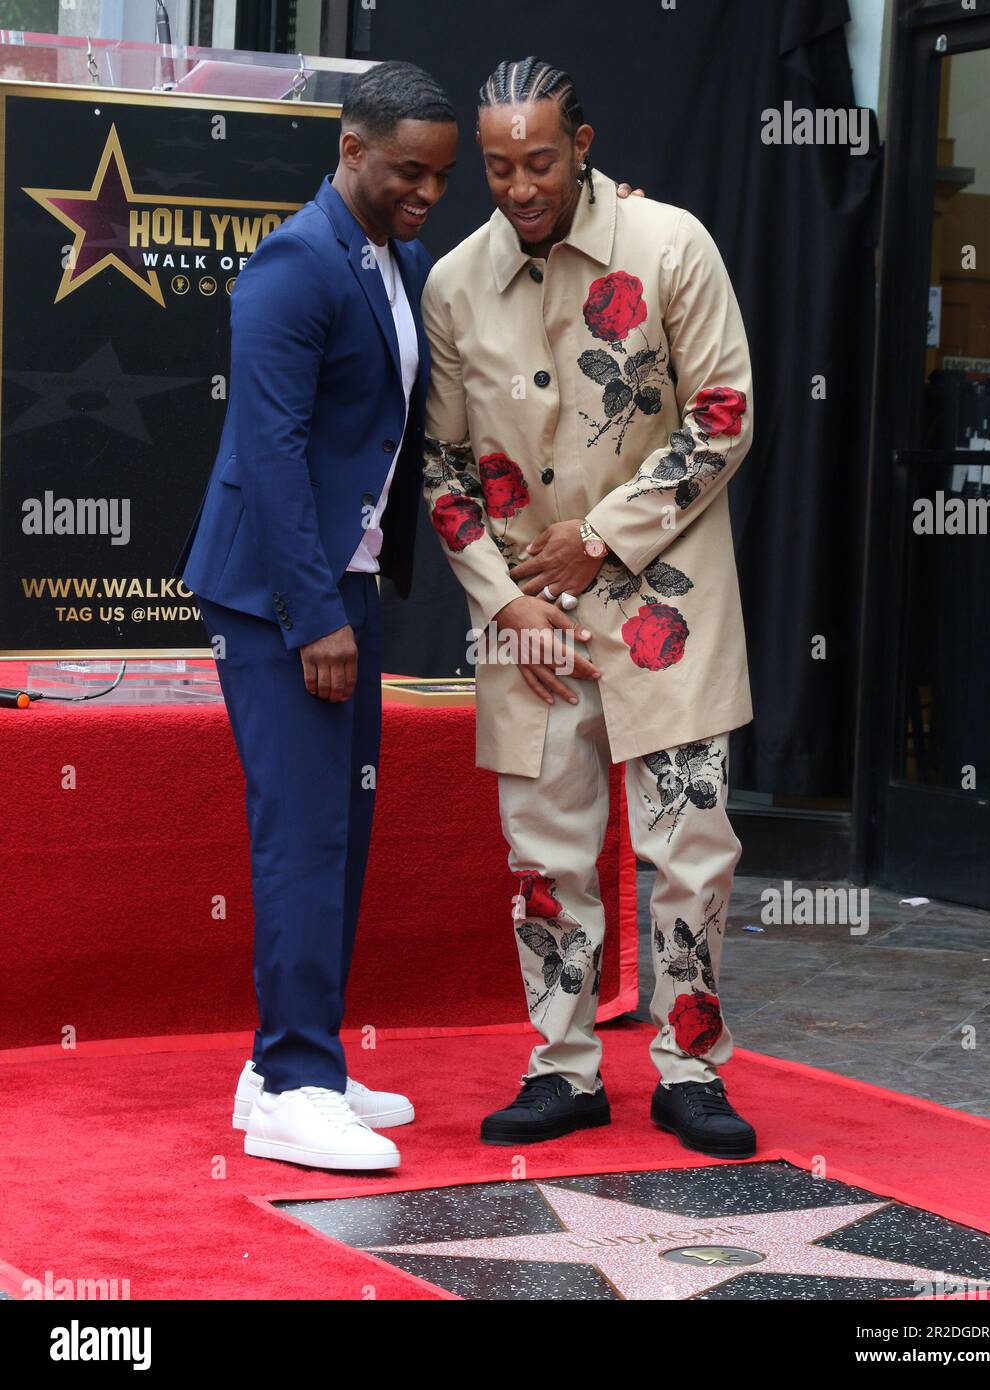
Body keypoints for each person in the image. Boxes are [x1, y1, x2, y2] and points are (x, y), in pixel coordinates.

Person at [421, 57, 757, 1158]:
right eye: (498, 165)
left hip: (667, 597)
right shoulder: (454, 285)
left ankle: (688, 1067)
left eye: (540, 161)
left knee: (692, 842)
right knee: (544, 851)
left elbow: (721, 414)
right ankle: (562, 1070)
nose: (518, 185)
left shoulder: (672, 247)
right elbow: (439, 471)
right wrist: (502, 598)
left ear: (584, 144)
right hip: (527, 612)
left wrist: (602, 534)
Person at [171, 62, 457, 1171]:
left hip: (344, 582)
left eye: (437, 176)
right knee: (301, 833)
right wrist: (310, 616)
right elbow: (269, 450)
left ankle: (291, 1064)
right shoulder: (296, 262)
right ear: (349, 150)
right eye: (405, 172)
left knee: (339, 830)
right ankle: (294, 1081)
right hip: (280, 593)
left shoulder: (397, 258)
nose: (425, 193)